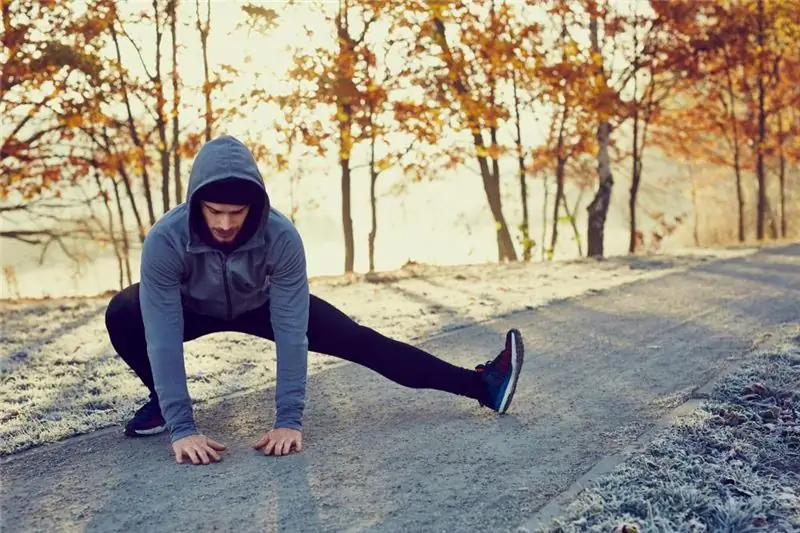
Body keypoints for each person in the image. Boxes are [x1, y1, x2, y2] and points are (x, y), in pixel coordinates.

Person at [104, 135, 525, 466]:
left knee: (361, 340)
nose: (227, 223)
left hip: (260, 304)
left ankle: (482, 386)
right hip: (190, 306)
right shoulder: (166, 239)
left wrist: (288, 419)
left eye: (238, 212)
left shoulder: (281, 235)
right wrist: (184, 428)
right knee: (124, 311)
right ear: (197, 202)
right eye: (216, 211)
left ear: (256, 204)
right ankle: (163, 404)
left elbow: (291, 333)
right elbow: (161, 335)